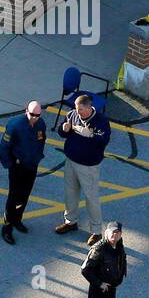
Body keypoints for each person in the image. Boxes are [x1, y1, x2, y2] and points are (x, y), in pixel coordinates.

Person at [54, 93, 111, 242]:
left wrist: (91, 135)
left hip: (89, 166)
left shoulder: (101, 121)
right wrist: (64, 129)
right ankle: (70, 222)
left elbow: (104, 140)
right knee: (70, 194)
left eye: (80, 110)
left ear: (88, 108)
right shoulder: (72, 114)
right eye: (76, 109)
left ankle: (97, 231)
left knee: (91, 198)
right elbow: (62, 132)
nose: (77, 113)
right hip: (71, 161)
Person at [0, 101, 46, 244]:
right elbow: (3, 147)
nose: (34, 118)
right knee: (13, 196)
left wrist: (37, 157)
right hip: (17, 166)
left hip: (31, 165)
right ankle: (7, 228)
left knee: (25, 194)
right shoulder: (15, 125)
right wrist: (9, 164)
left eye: (37, 115)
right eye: (32, 114)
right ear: (26, 111)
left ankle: (17, 219)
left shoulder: (40, 124)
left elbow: (41, 141)